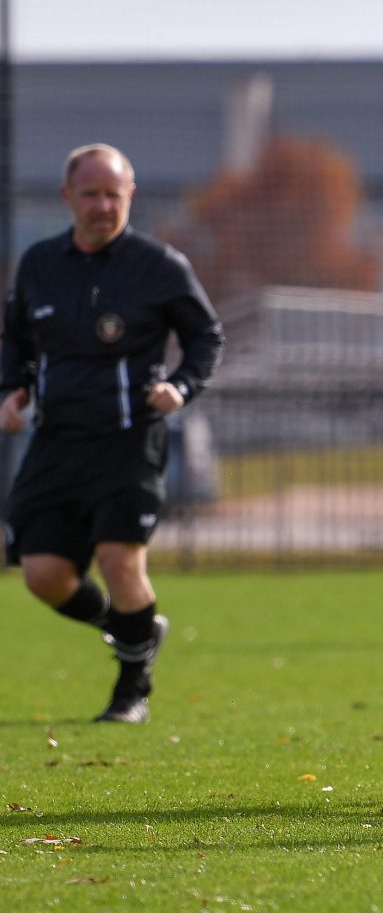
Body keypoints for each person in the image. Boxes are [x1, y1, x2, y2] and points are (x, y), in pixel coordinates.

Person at [1, 143, 224, 723]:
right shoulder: (39, 265)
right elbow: (17, 340)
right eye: (91, 194)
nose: (103, 205)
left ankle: (132, 693)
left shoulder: (159, 266)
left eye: (113, 194)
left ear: (130, 195)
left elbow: (207, 338)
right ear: (67, 197)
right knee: (43, 575)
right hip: (56, 441)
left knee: (120, 560)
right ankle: (132, 627)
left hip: (130, 438)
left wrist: (180, 386)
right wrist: (13, 388)